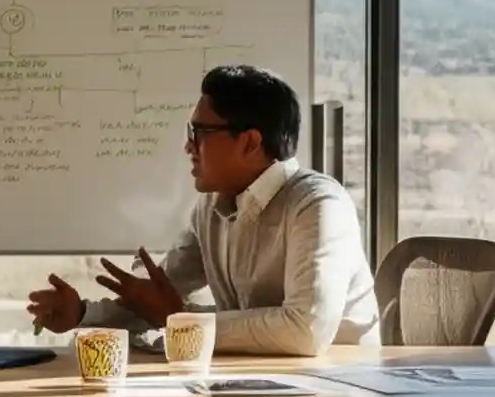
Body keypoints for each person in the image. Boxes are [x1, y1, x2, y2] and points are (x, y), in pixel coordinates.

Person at [26, 65, 379, 356]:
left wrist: (180, 320)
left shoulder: (317, 205)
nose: (188, 146)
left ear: (250, 142)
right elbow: (159, 301)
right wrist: (83, 313)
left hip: (338, 391)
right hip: (253, 384)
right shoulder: (211, 206)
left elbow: (306, 330)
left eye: (199, 133)